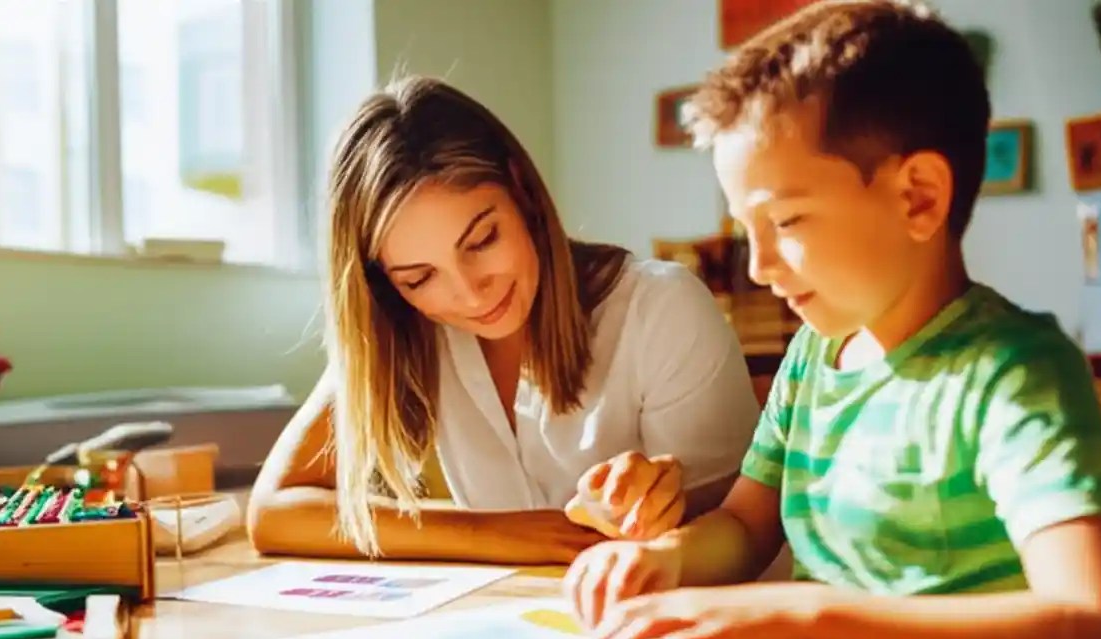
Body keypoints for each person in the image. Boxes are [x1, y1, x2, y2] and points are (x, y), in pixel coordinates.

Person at [562, 2, 1101, 639]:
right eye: (746, 230)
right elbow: (748, 528)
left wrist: (805, 615)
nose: (758, 267)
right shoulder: (816, 355)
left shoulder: (1012, 373)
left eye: (784, 221)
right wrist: (668, 560)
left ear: (919, 198)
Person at [246, 76, 760, 565]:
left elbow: (744, 531)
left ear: (522, 190)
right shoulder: (406, 327)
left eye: (482, 240)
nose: (469, 293)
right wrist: (510, 534)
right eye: (419, 277)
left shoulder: (661, 310)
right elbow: (275, 513)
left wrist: (662, 504)